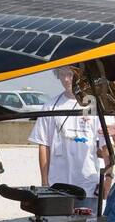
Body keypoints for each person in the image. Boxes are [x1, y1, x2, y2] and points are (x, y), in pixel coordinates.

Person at [30, 66, 102, 211]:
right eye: (62, 74)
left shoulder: (93, 104)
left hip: (88, 186)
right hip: (58, 186)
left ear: (80, 74)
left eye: (70, 74)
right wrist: (45, 182)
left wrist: (107, 178)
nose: (66, 79)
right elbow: (43, 145)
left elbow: (105, 144)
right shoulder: (50, 106)